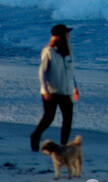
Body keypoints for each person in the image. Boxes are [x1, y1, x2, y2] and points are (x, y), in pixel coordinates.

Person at [30, 24, 79, 152]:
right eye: (66, 33)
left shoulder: (69, 50)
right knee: (48, 118)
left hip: (66, 91)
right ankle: (35, 136)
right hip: (51, 92)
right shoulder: (49, 51)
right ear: (60, 36)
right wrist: (45, 89)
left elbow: (71, 71)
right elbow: (43, 71)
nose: (69, 35)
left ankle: (64, 146)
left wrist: (75, 87)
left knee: (68, 119)